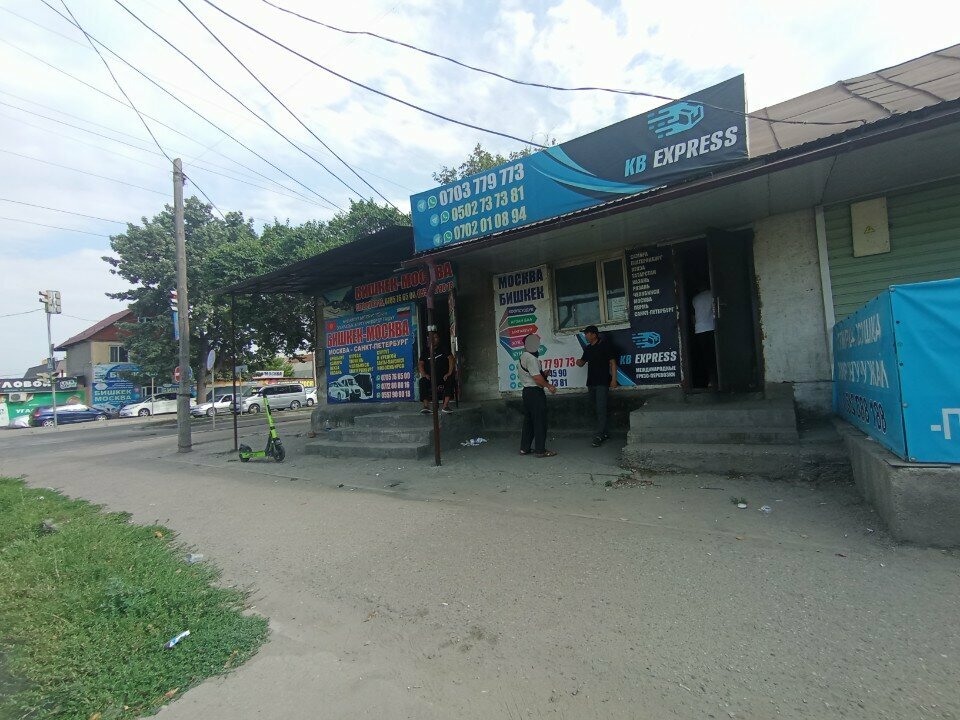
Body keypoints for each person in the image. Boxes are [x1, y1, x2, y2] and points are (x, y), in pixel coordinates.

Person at [576, 325, 618, 447]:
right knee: (596, 408)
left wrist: (614, 379)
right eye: (585, 334)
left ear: (594, 334)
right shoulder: (588, 348)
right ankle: (604, 432)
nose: (585, 336)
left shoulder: (605, 346)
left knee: (601, 408)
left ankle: (600, 435)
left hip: (602, 382)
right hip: (591, 383)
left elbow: (613, 363)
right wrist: (579, 362)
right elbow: (582, 362)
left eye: (587, 334)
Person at [518, 333, 557, 457]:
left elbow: (533, 375)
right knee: (540, 421)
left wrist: (544, 374)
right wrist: (549, 385)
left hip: (527, 392)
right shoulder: (531, 358)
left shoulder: (522, 357)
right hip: (535, 393)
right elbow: (536, 378)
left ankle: (524, 448)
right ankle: (540, 450)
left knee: (528, 421)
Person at [418, 330, 456, 414]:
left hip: (443, 377)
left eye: (435, 337)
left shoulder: (443, 348)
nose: (434, 339)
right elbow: (420, 364)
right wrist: (424, 374)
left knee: (450, 379)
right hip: (430, 377)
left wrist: (449, 372)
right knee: (422, 381)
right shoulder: (425, 351)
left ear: (438, 339)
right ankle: (426, 406)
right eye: (431, 338)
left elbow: (451, 359)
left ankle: (445, 406)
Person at [691, 284, 716, 389]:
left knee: (705, 356)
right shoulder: (712, 294)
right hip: (711, 328)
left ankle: (709, 380)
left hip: (699, 330)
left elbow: (693, 317)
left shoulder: (695, 298)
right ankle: (716, 380)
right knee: (714, 355)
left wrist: (695, 328)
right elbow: (715, 311)